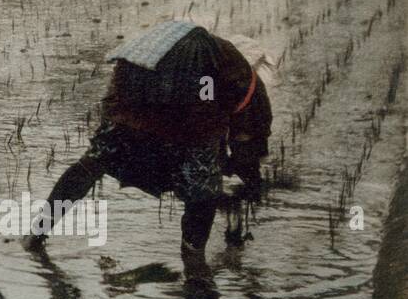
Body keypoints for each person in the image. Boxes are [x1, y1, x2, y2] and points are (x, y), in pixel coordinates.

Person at [26, 21, 277, 276]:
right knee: (202, 192)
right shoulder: (236, 78)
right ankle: (195, 262)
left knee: (93, 163)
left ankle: (36, 235)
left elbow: (116, 103)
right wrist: (246, 183)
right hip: (172, 107)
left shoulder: (153, 50)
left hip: (135, 96)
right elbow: (239, 139)